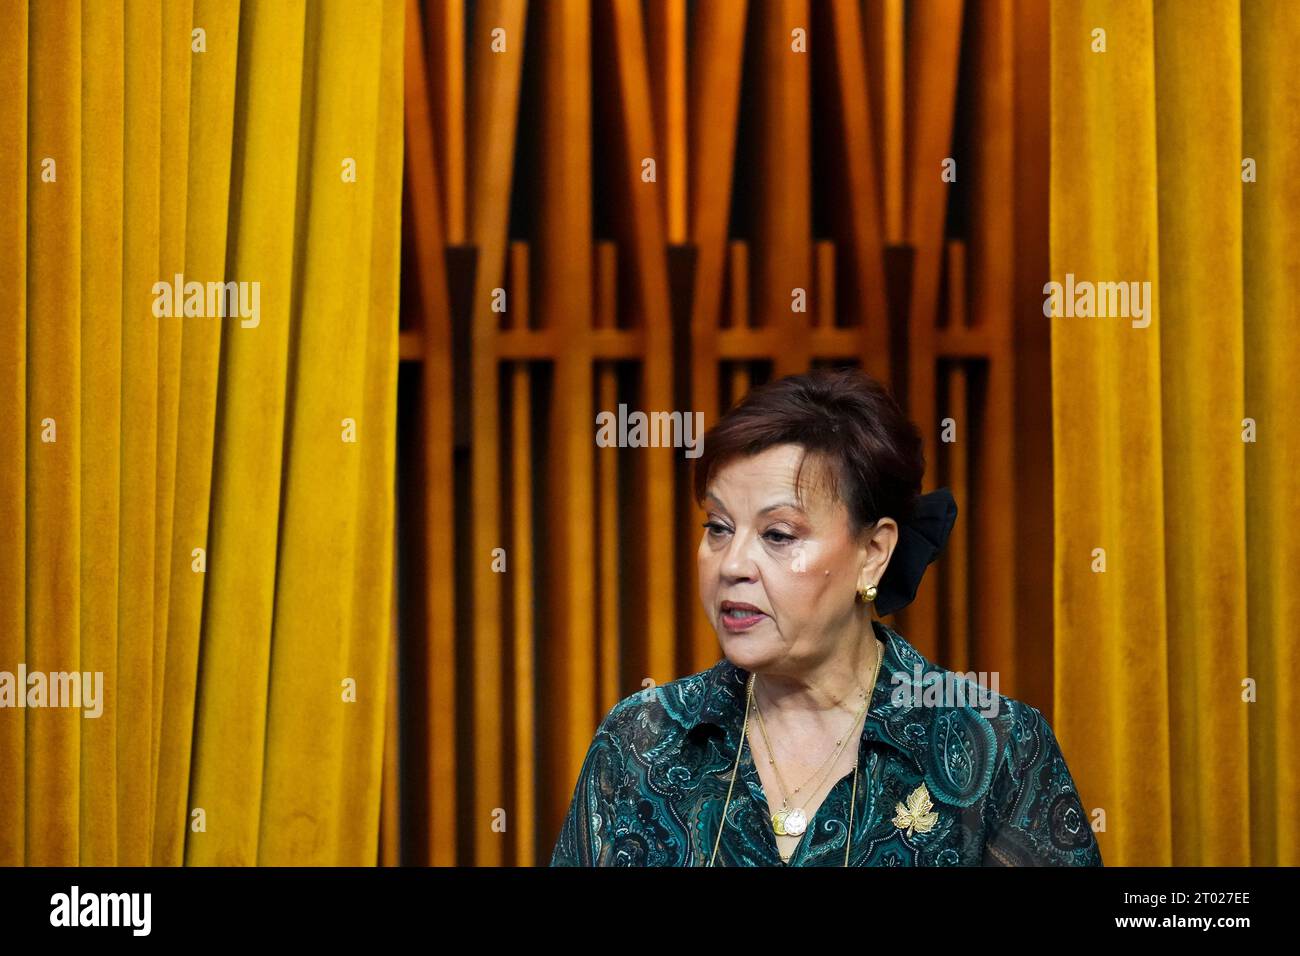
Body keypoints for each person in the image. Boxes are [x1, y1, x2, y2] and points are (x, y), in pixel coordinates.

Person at [550, 367, 1102, 866]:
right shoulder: (643, 741)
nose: (733, 564)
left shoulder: (993, 747)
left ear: (873, 553)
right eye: (718, 527)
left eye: (778, 535)